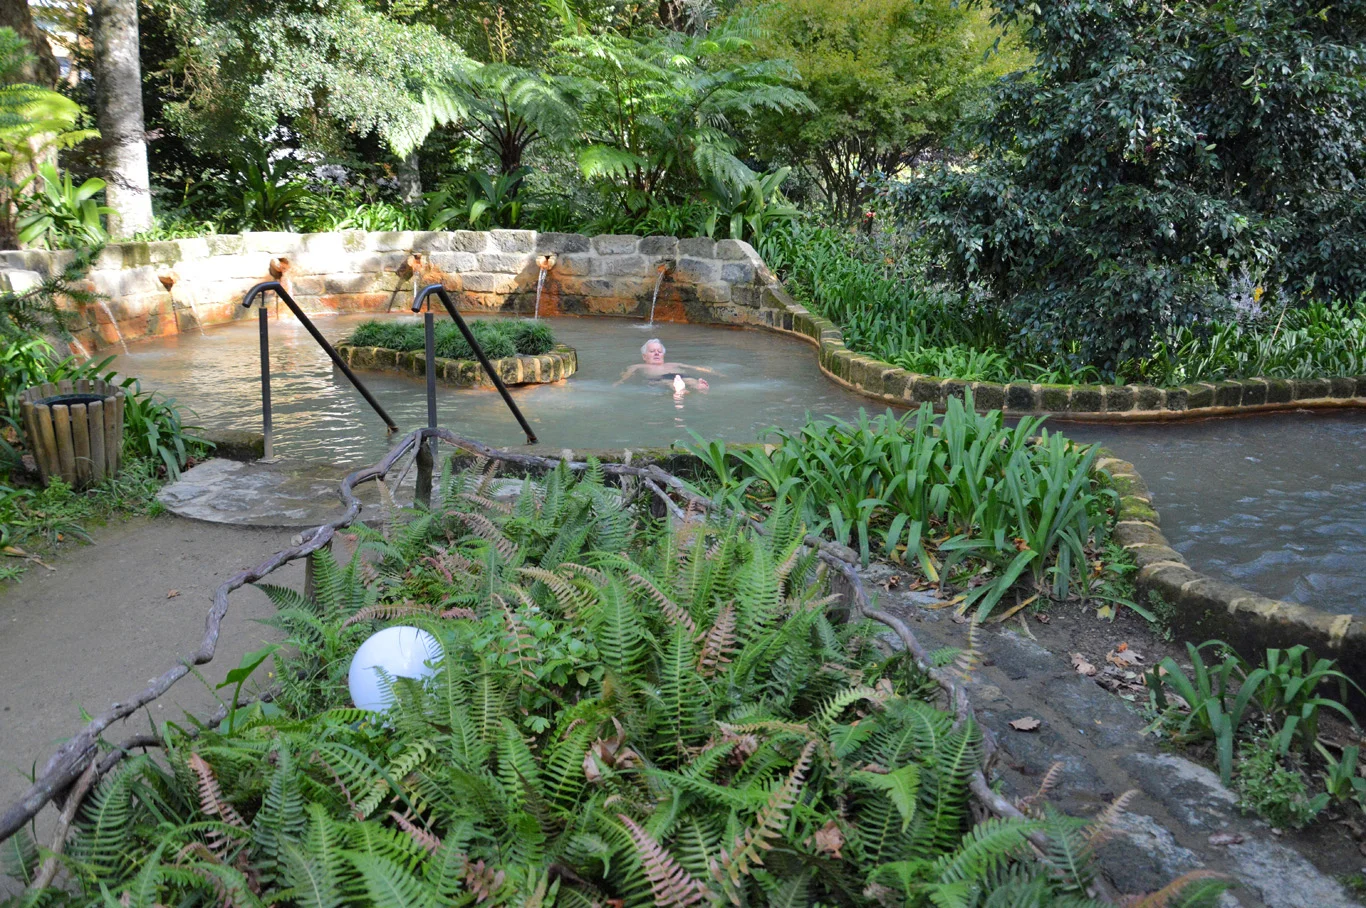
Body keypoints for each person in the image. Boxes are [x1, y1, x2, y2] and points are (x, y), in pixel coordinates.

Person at [616, 338, 714, 390]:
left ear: (663, 355)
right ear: (644, 356)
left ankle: (699, 386)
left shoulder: (674, 364)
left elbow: (695, 368)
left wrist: (713, 372)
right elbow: (627, 374)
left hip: (680, 376)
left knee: (691, 380)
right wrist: (620, 381)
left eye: (659, 351)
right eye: (652, 351)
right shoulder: (638, 366)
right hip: (660, 378)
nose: (656, 353)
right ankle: (679, 390)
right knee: (670, 383)